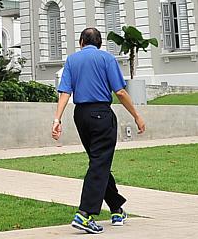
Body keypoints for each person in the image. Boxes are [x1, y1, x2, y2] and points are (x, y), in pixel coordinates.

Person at [50, 26, 146, 233]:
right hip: (101, 114)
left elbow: (65, 92)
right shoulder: (106, 59)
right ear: (100, 43)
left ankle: (116, 208)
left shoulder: (72, 60)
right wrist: (137, 116)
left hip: (81, 116)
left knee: (98, 162)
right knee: (99, 163)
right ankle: (84, 214)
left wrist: (57, 119)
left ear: (81, 42)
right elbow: (120, 91)